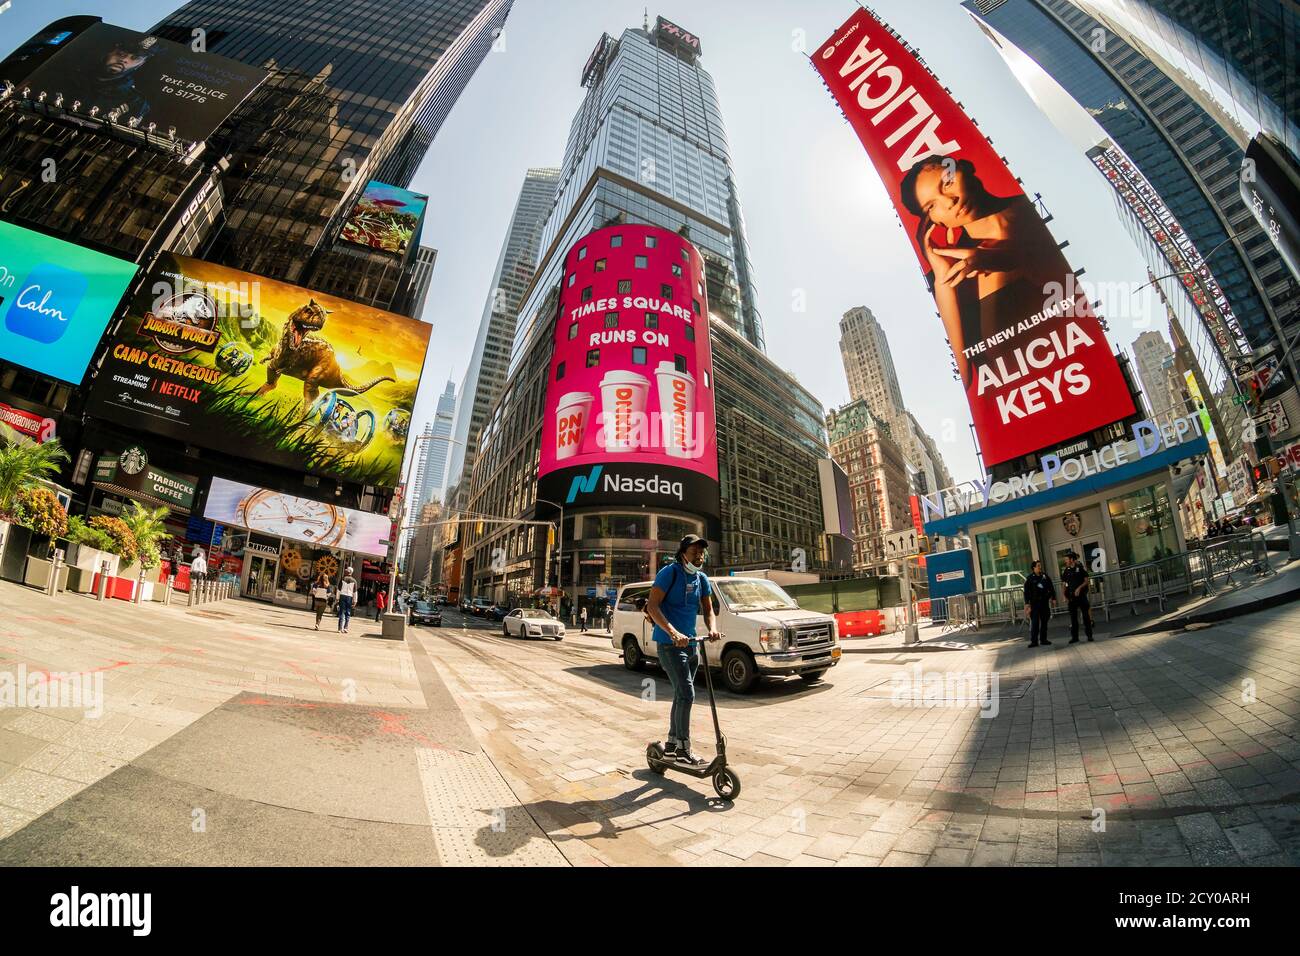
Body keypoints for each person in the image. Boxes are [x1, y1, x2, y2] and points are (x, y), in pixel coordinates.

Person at [900, 155, 1069, 387]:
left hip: (1069, 374)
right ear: (931, 222)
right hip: (1020, 393)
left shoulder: (1027, 214)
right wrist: (942, 281)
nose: (949, 202)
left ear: (966, 168)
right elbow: (969, 379)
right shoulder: (958, 270)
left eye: (947, 182)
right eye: (931, 206)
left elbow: (1067, 290)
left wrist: (1004, 258)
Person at [644, 535, 722, 767]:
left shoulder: (702, 579)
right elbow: (652, 606)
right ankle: (683, 750)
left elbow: (708, 610)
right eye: (695, 551)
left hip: (690, 644)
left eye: (702, 552)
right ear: (683, 553)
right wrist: (672, 633)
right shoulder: (670, 573)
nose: (699, 556)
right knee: (687, 694)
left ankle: (670, 746)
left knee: (681, 695)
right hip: (670, 644)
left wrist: (713, 628)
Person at [1060, 551, 1094, 643]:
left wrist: (1079, 588)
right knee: (1073, 618)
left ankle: (1089, 635)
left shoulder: (1080, 568)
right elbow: (1063, 583)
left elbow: (1086, 581)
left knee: (1086, 616)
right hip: (1071, 597)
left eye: (1067, 559)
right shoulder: (1066, 570)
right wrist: (1063, 595)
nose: (1065, 561)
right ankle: (1075, 637)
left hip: (1081, 596)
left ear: (1072, 559)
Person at [1022, 559, 1057, 648]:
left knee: (1044, 621)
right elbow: (1026, 592)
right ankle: (1034, 641)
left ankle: (1043, 639)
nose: (1040, 567)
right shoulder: (1029, 578)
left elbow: (1051, 587)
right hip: (1035, 603)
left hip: (1044, 602)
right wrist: (1027, 604)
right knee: (1035, 623)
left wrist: (1053, 598)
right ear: (1034, 568)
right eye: (1038, 566)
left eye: (1040, 566)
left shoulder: (1044, 576)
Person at [337, 567, 358, 634]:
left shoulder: (343, 579)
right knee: (348, 612)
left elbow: (339, 590)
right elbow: (355, 592)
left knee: (341, 612)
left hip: (342, 596)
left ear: (348, 572)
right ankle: (346, 627)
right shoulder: (354, 581)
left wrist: (337, 598)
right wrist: (355, 601)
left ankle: (340, 628)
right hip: (349, 597)